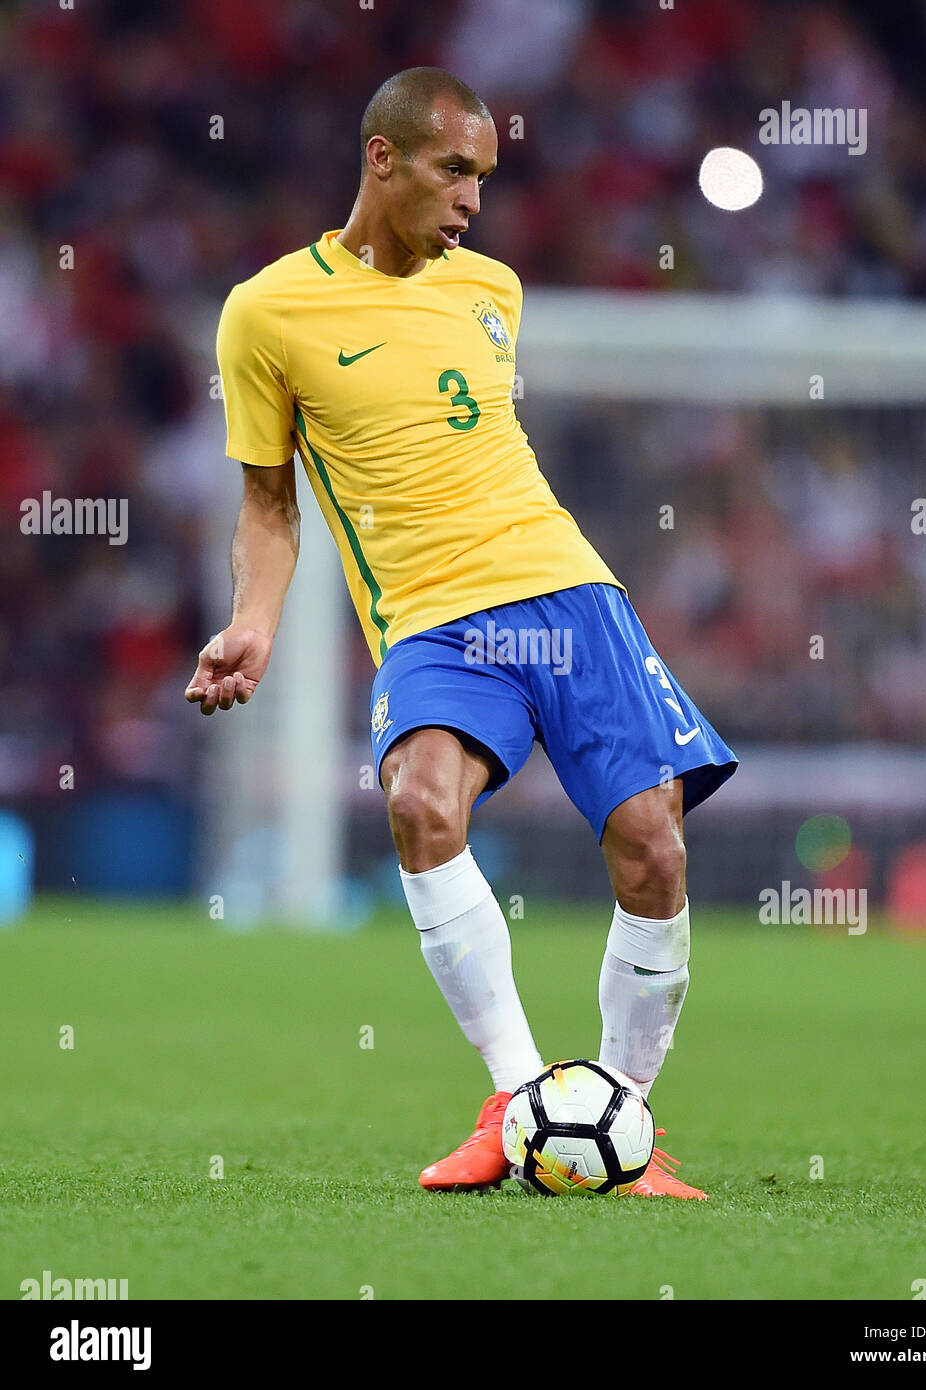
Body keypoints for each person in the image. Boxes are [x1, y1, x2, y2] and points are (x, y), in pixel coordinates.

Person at [187, 67, 737, 1198]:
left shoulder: (493, 289)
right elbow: (270, 501)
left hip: (567, 591)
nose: (473, 202)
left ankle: (624, 1123)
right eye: (454, 171)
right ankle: (518, 1099)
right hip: (434, 618)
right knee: (420, 804)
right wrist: (254, 619)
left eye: (484, 178)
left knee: (653, 845)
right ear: (382, 158)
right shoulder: (267, 312)